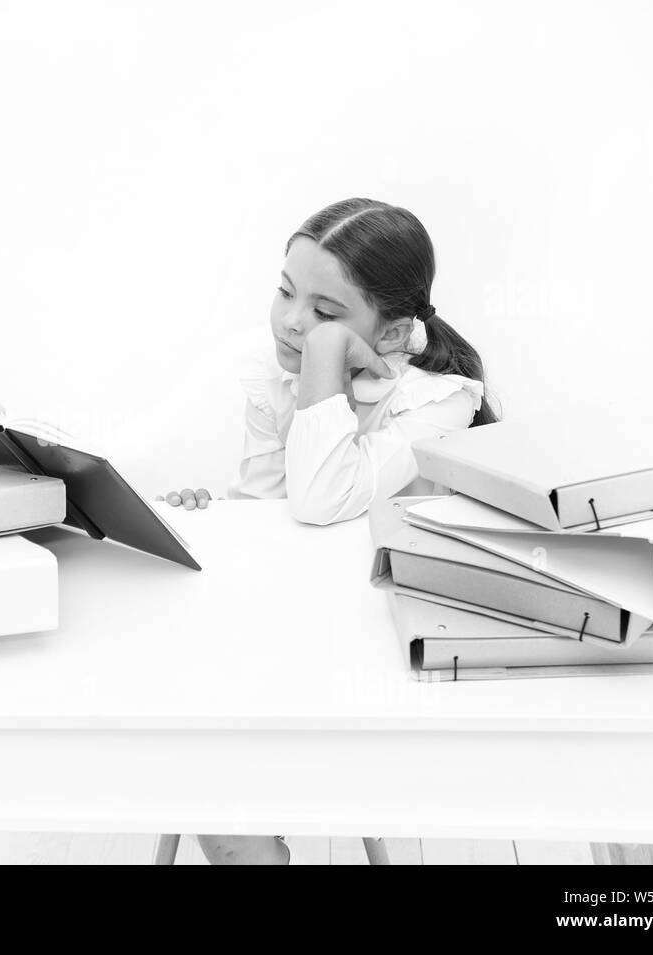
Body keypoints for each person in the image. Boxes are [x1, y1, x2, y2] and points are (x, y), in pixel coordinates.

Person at [163, 198, 495, 863]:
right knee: (220, 810)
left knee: (233, 760)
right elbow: (270, 515)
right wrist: (210, 516)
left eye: (325, 312)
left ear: (394, 335)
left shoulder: (442, 402)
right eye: (286, 292)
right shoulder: (270, 373)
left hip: (378, 653)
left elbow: (319, 498)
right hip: (291, 632)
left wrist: (326, 360)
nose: (292, 323)